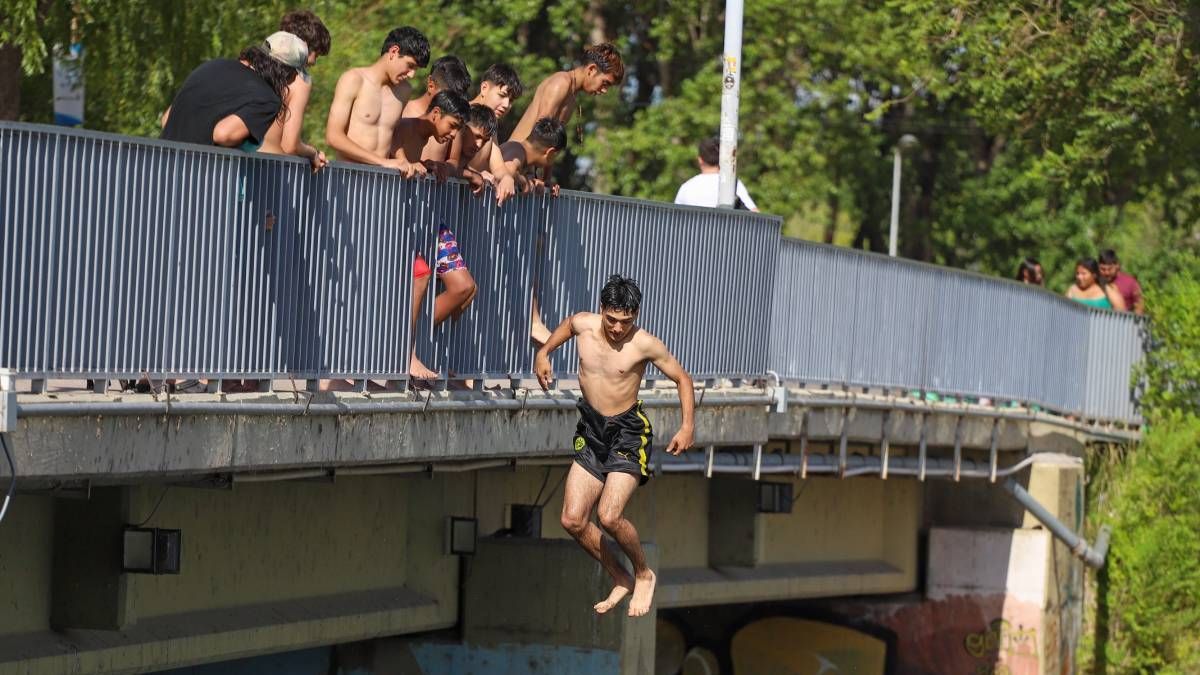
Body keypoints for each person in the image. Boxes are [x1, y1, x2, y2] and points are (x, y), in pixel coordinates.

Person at [535, 275, 694, 618]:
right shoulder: (583, 324)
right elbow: (567, 326)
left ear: (636, 316)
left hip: (627, 433)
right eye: (612, 319)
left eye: (627, 321)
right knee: (572, 519)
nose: (619, 328)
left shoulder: (645, 344)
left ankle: (643, 573)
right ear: (601, 309)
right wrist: (544, 352)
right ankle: (620, 576)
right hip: (591, 429)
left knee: (608, 516)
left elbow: (683, 379)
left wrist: (687, 426)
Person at [392, 90, 477, 379]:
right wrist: (405, 162)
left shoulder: (426, 136)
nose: (453, 136)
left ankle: (412, 350)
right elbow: (392, 156)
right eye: (452, 127)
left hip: (415, 218)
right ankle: (405, 354)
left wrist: (432, 166)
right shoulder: (406, 127)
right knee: (421, 274)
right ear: (436, 113)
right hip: (394, 218)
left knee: (462, 286)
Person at [508, 43, 623, 181]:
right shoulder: (561, 83)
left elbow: (551, 141)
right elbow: (540, 135)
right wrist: (530, 175)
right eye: (605, 83)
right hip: (512, 163)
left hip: (525, 172)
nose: (604, 90)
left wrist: (546, 179)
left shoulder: (572, 94)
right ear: (592, 70)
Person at [324, 26, 430, 175]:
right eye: (410, 66)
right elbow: (333, 137)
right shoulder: (354, 79)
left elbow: (392, 135)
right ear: (394, 52)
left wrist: (404, 161)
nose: (411, 75)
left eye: (415, 69)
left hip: (381, 182)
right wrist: (382, 162)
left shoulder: (404, 91)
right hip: (348, 179)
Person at [160, 41, 298, 150]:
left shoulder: (213, 66)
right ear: (287, 74)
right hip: (199, 172)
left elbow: (166, 119)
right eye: (295, 73)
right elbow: (223, 134)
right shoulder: (268, 99)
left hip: (159, 164)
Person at [259, 11, 332, 171]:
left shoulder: (256, 65)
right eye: (316, 54)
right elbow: (290, 145)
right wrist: (313, 153)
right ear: (303, 45)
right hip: (268, 171)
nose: (313, 62)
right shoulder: (300, 81)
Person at [493, 117, 567, 205]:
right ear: (550, 153)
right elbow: (507, 171)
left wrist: (537, 183)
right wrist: (524, 182)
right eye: (556, 156)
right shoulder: (517, 151)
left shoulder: (529, 161)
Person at [673, 137, 759, 211]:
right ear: (722, 159)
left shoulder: (686, 187)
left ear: (700, 160)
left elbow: (675, 218)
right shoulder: (732, 184)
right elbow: (755, 214)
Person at [402, 55, 472, 119]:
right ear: (431, 86)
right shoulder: (401, 114)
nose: (453, 103)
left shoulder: (458, 123)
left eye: (458, 99)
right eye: (448, 96)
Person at [1097, 249, 1144, 315]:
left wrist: (1135, 319)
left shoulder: (1130, 282)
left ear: (1117, 265)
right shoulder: (1095, 281)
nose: (1107, 272)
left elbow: (1139, 304)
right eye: (1103, 269)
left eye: (1110, 269)